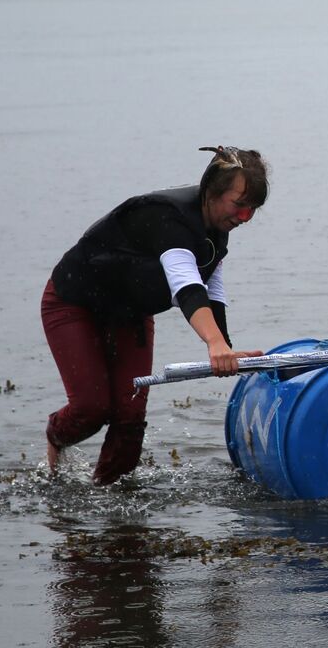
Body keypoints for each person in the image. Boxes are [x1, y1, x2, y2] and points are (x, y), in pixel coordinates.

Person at [42, 146, 269, 483]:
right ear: (211, 191)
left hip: (129, 314)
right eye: (240, 206)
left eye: (253, 210)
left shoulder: (217, 227)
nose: (244, 218)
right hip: (74, 303)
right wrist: (214, 345)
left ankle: (111, 495)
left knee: (130, 414)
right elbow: (186, 286)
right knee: (91, 408)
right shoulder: (167, 217)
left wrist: (226, 347)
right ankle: (54, 437)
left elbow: (211, 285)